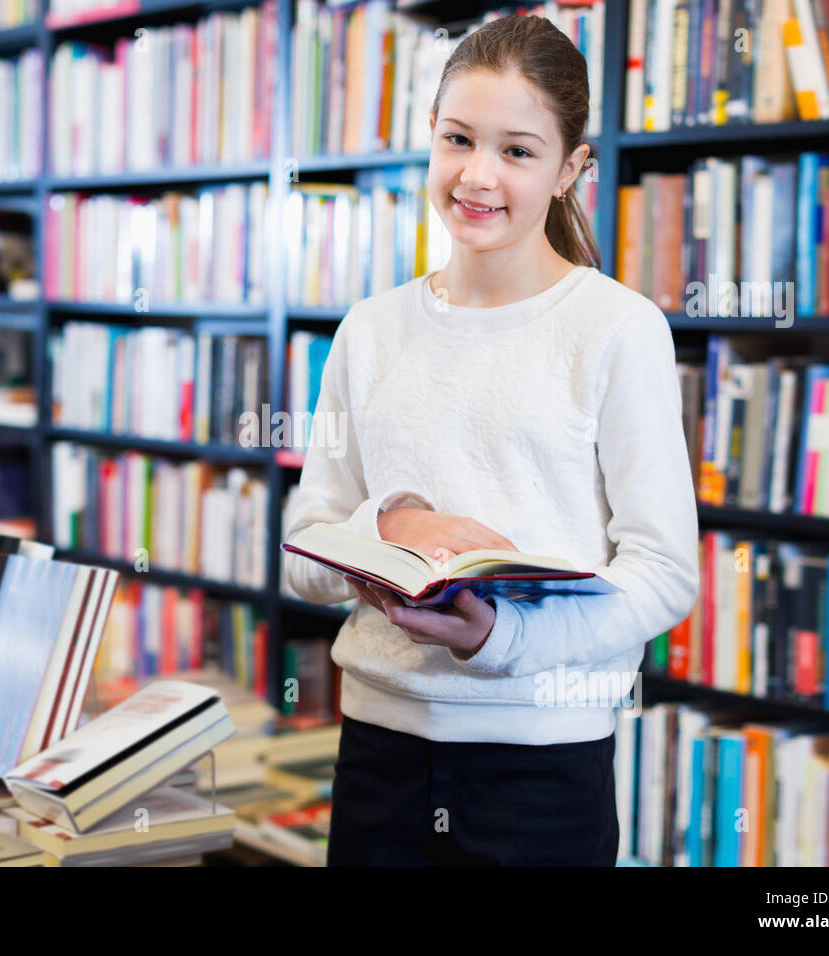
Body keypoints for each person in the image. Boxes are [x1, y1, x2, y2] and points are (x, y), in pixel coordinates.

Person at [282, 14, 700, 866]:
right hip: (377, 756)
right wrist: (390, 526)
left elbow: (662, 575)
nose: (478, 175)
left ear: (570, 169)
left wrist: (492, 639)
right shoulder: (370, 328)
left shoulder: (618, 329)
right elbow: (303, 556)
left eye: (517, 150)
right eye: (457, 139)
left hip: (543, 773)